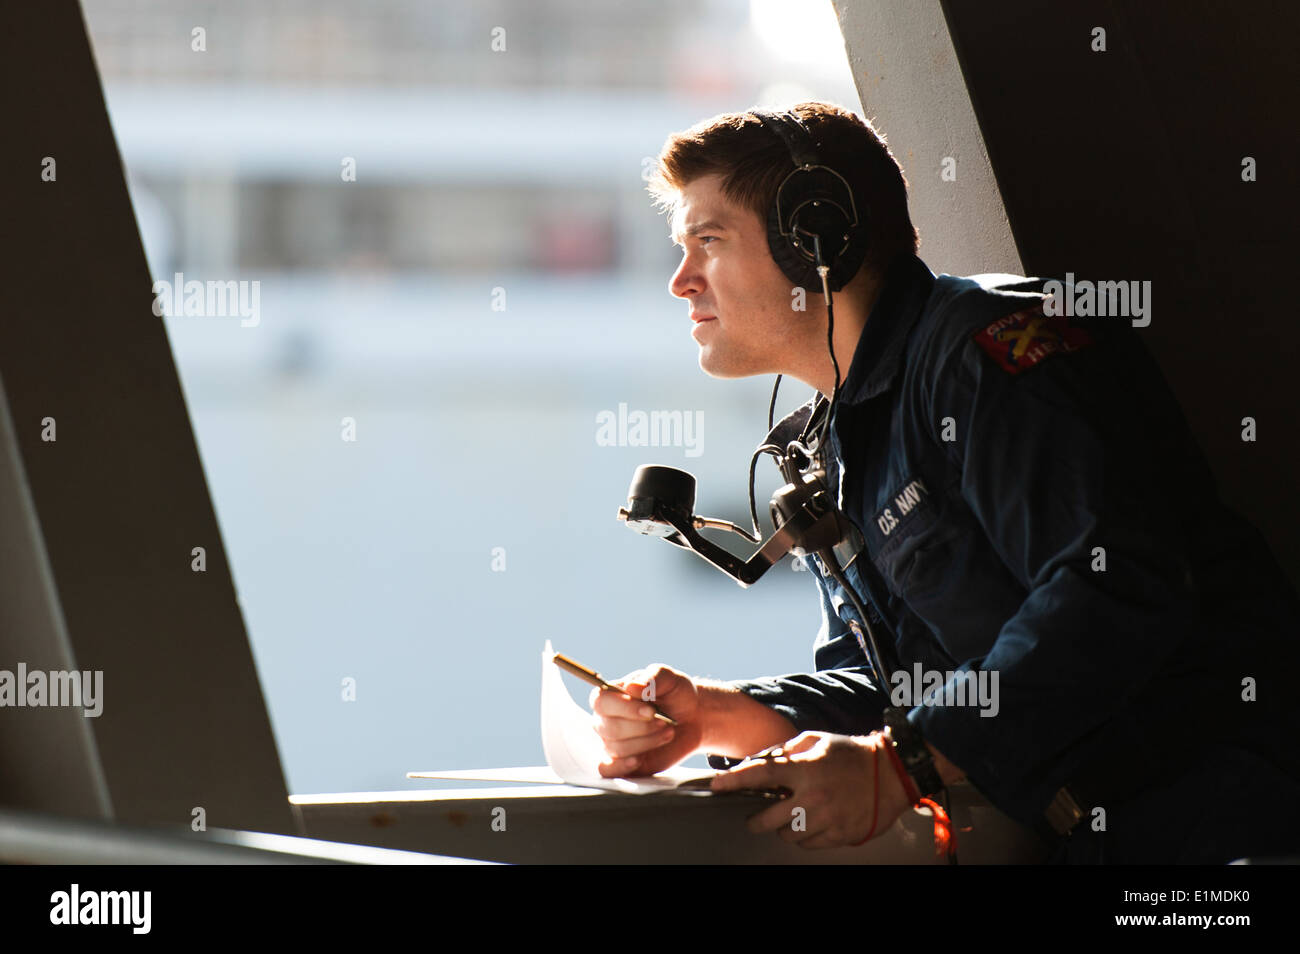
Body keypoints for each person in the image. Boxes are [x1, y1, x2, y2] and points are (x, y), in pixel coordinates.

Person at [592, 101, 1300, 863]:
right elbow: (887, 689)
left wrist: (908, 763)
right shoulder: (837, 439)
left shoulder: (987, 353)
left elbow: (1119, 583)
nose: (681, 281)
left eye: (708, 241)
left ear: (815, 238)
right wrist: (719, 712)